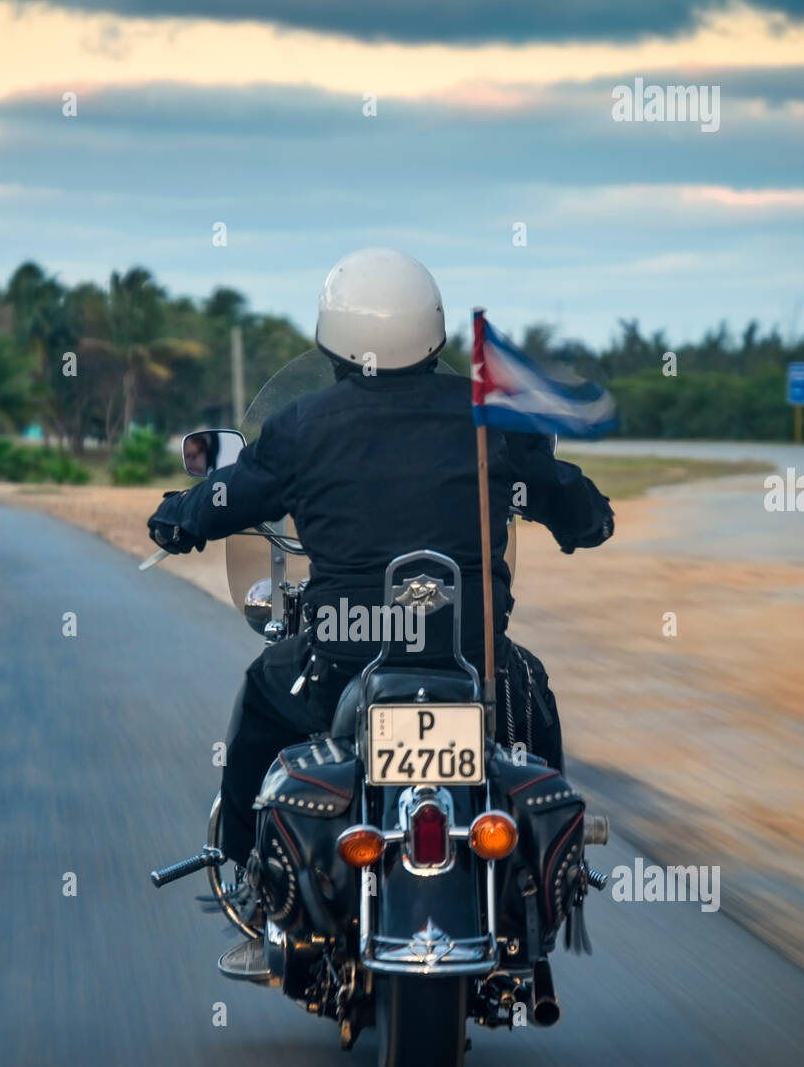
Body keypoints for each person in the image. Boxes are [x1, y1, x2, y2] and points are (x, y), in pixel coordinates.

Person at [148, 248, 614, 972]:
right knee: (534, 699)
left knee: (261, 697)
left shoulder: (304, 425)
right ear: (432, 336)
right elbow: (571, 501)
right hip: (474, 661)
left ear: (333, 338)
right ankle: (549, 880)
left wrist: (177, 517)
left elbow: (229, 495)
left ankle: (246, 879)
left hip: (340, 657)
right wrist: (586, 520)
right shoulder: (491, 421)